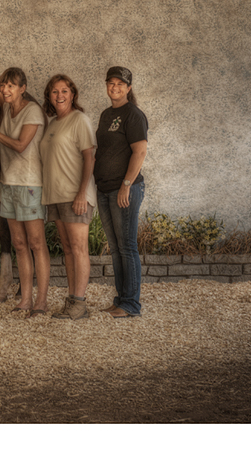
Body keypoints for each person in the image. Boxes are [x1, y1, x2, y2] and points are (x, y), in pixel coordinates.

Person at [0, 68, 48, 315]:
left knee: (36, 243)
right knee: (20, 244)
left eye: (11, 86)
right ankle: (25, 300)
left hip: (30, 185)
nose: (5, 90)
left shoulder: (32, 111)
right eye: (4, 85)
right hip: (8, 185)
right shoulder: (6, 107)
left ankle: (41, 301)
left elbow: (21, 145)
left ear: (22, 88)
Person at [38, 74, 97, 320]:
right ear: (49, 96)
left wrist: (82, 193)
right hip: (56, 195)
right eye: (55, 91)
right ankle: (72, 301)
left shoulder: (79, 120)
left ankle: (80, 303)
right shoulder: (52, 124)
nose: (59, 95)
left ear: (72, 95)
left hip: (75, 195)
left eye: (64, 91)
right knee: (69, 250)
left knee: (79, 249)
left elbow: (89, 157)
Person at [93, 66, 148, 319]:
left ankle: (131, 304)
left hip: (124, 189)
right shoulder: (106, 115)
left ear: (128, 88)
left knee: (127, 247)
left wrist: (126, 184)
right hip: (104, 188)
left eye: (120, 84)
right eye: (111, 83)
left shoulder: (133, 115)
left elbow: (140, 152)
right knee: (115, 248)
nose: (115, 87)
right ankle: (121, 300)